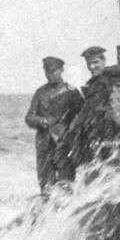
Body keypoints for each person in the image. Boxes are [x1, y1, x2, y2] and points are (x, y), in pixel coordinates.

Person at [24, 57, 82, 192]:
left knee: (66, 186)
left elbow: (81, 118)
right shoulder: (40, 92)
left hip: (64, 146)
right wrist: (40, 121)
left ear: (61, 70)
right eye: (47, 72)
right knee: (46, 188)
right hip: (44, 147)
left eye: (53, 71)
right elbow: (29, 117)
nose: (50, 75)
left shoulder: (72, 93)